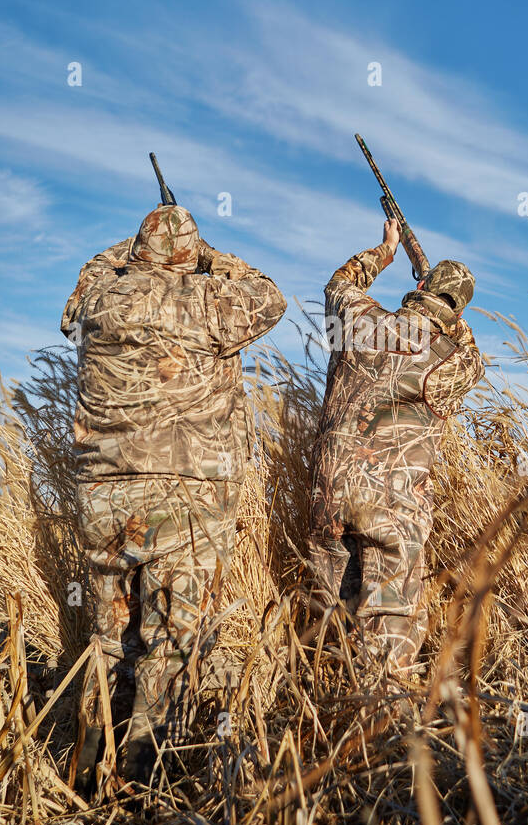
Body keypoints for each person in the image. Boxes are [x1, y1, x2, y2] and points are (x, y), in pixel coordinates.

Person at [61, 202, 286, 785]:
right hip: (188, 500)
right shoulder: (210, 301)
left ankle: (86, 775)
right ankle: (143, 788)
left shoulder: (96, 300)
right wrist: (210, 254)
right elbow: (270, 296)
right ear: (190, 255)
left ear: (133, 253)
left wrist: (132, 253)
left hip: (102, 495)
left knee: (108, 637)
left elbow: (94, 269)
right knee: (173, 640)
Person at [308, 218, 484, 679]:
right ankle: (385, 746)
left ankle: (325, 735)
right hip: (392, 513)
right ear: (455, 310)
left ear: (420, 287)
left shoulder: (359, 322)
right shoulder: (449, 356)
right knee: (388, 659)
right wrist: (452, 318)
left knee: (334, 643)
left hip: (330, 504)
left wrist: (386, 251)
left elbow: (338, 284)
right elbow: (474, 360)